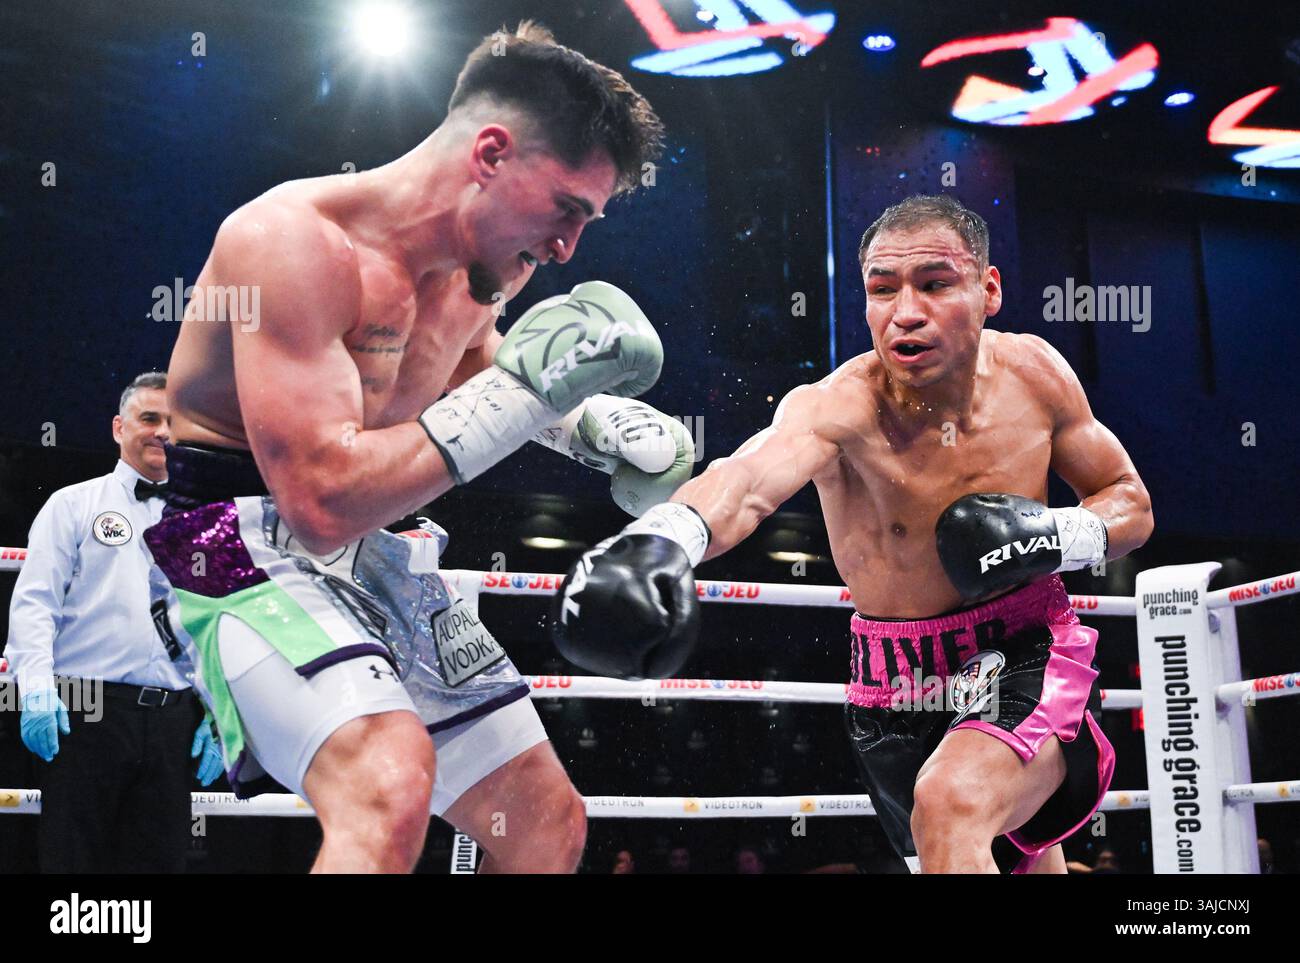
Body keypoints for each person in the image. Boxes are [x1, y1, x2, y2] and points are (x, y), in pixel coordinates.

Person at [144, 22, 690, 873]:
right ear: (491, 153)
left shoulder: (492, 267)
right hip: (233, 543)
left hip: (376, 548)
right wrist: (531, 390)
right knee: (389, 784)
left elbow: (479, 369)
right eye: (567, 210)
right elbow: (319, 503)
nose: (566, 248)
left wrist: (589, 427)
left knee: (544, 823)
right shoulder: (289, 243)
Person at [555, 194, 1154, 874]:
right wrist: (665, 539)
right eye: (882, 288)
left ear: (988, 289)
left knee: (952, 803)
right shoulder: (838, 406)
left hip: (1026, 647)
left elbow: (1130, 503)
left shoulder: (1036, 375)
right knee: (990, 849)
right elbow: (747, 480)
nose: (905, 312)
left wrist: (1051, 533)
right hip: (891, 685)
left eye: (934, 284)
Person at [5, 372, 222, 873]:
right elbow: (35, 604)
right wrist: (34, 690)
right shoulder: (73, 504)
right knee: (72, 867)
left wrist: (219, 711)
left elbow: (219, 623)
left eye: (174, 422)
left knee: (156, 869)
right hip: (88, 713)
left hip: (173, 718)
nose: (163, 432)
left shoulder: (209, 520)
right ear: (119, 427)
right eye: (150, 418)